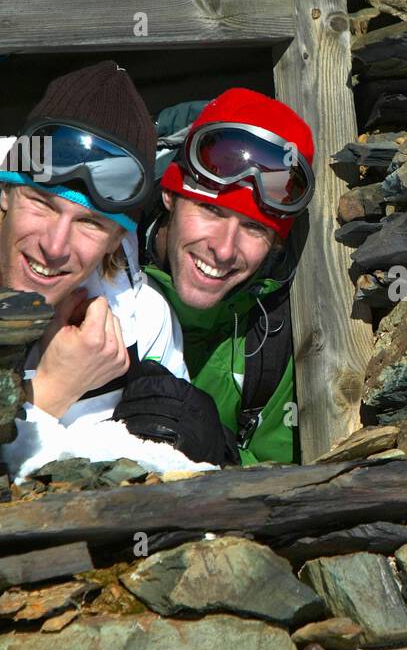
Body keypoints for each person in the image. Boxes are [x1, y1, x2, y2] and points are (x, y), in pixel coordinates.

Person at [0, 60, 198, 479]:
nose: (54, 246)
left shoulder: (143, 321)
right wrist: (52, 391)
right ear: (4, 193)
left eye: (89, 223)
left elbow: (171, 477)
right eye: (42, 203)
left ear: (118, 239)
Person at [127, 88, 315, 466]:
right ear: (169, 195)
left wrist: (219, 454)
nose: (225, 250)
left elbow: (285, 484)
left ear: (276, 245)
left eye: (254, 228)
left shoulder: (276, 336)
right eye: (211, 211)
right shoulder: (99, 269)